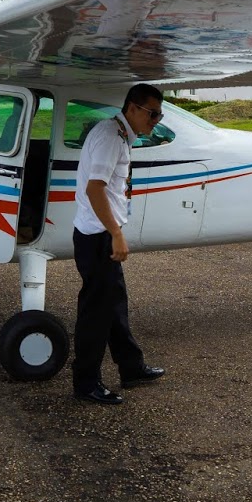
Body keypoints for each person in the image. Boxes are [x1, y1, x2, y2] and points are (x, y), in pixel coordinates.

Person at [71, 83, 166, 405]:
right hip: (99, 237)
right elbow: (95, 190)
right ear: (133, 109)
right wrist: (116, 233)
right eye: (152, 114)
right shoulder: (111, 139)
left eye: (160, 115)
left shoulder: (116, 134)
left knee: (114, 304)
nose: (156, 120)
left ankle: (131, 366)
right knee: (96, 313)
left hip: (99, 234)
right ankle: (86, 382)